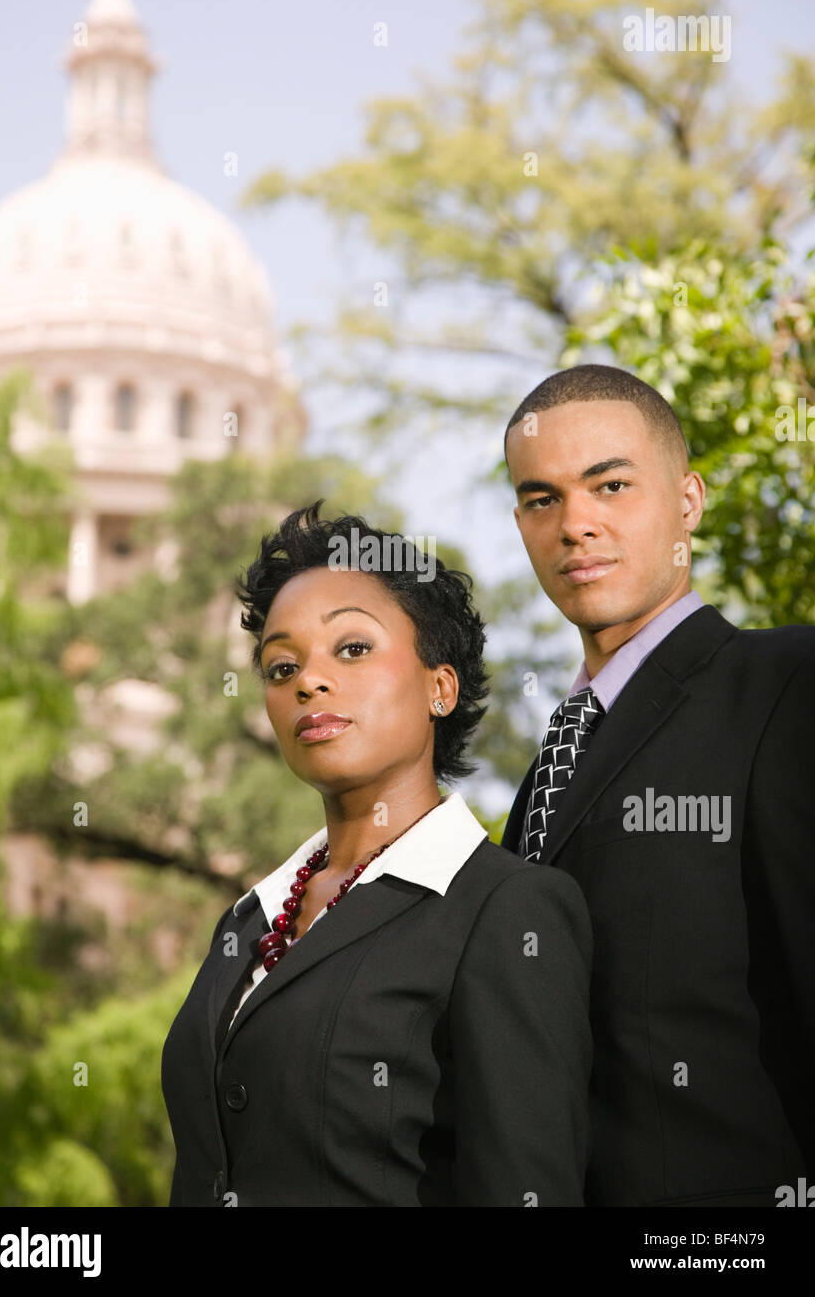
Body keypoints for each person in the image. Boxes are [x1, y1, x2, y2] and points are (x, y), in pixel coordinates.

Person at [161, 501, 592, 1207]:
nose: (308, 681)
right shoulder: (248, 921)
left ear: (439, 686)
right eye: (279, 666)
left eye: (352, 649)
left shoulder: (505, 909)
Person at [501, 363, 815, 1208]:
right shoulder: (545, 773)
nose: (576, 525)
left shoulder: (785, 685)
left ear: (687, 501)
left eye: (609, 485)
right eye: (541, 499)